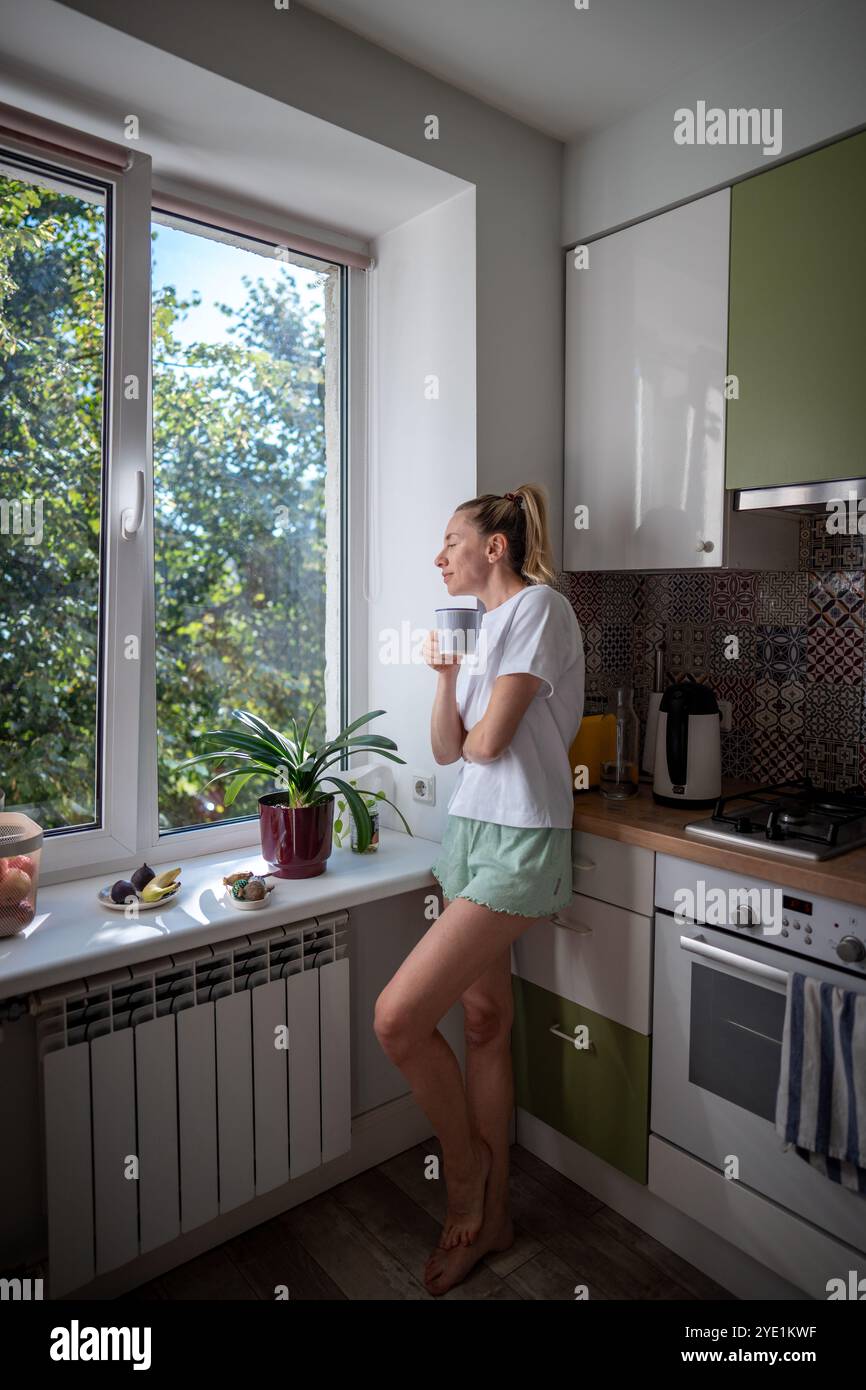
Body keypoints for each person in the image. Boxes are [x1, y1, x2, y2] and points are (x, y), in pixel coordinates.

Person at [374, 483, 585, 1296]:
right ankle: (496, 1216)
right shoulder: (477, 627)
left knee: (397, 1018)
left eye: (451, 541)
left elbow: (492, 742)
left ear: (493, 547)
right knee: (485, 1020)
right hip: (469, 833)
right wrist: (444, 676)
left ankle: (464, 1181)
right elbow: (449, 750)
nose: (440, 557)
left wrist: (474, 706)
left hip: (523, 838)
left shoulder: (540, 609)